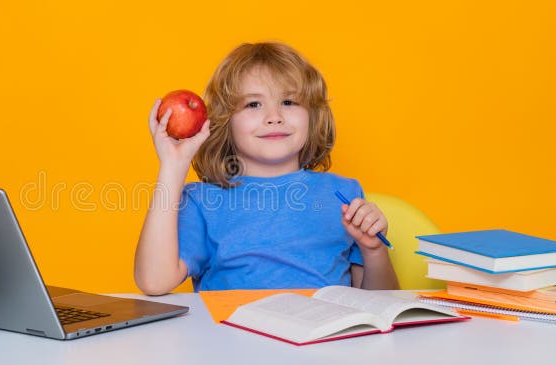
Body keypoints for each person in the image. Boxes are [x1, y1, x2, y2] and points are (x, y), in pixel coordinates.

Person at [134, 42, 399, 295]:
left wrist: (373, 249)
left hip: (324, 342)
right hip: (232, 340)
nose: (274, 117)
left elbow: (378, 304)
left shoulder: (344, 193)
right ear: (225, 121)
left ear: (313, 116)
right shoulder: (202, 201)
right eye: (253, 104)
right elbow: (154, 282)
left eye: (289, 102)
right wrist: (172, 166)